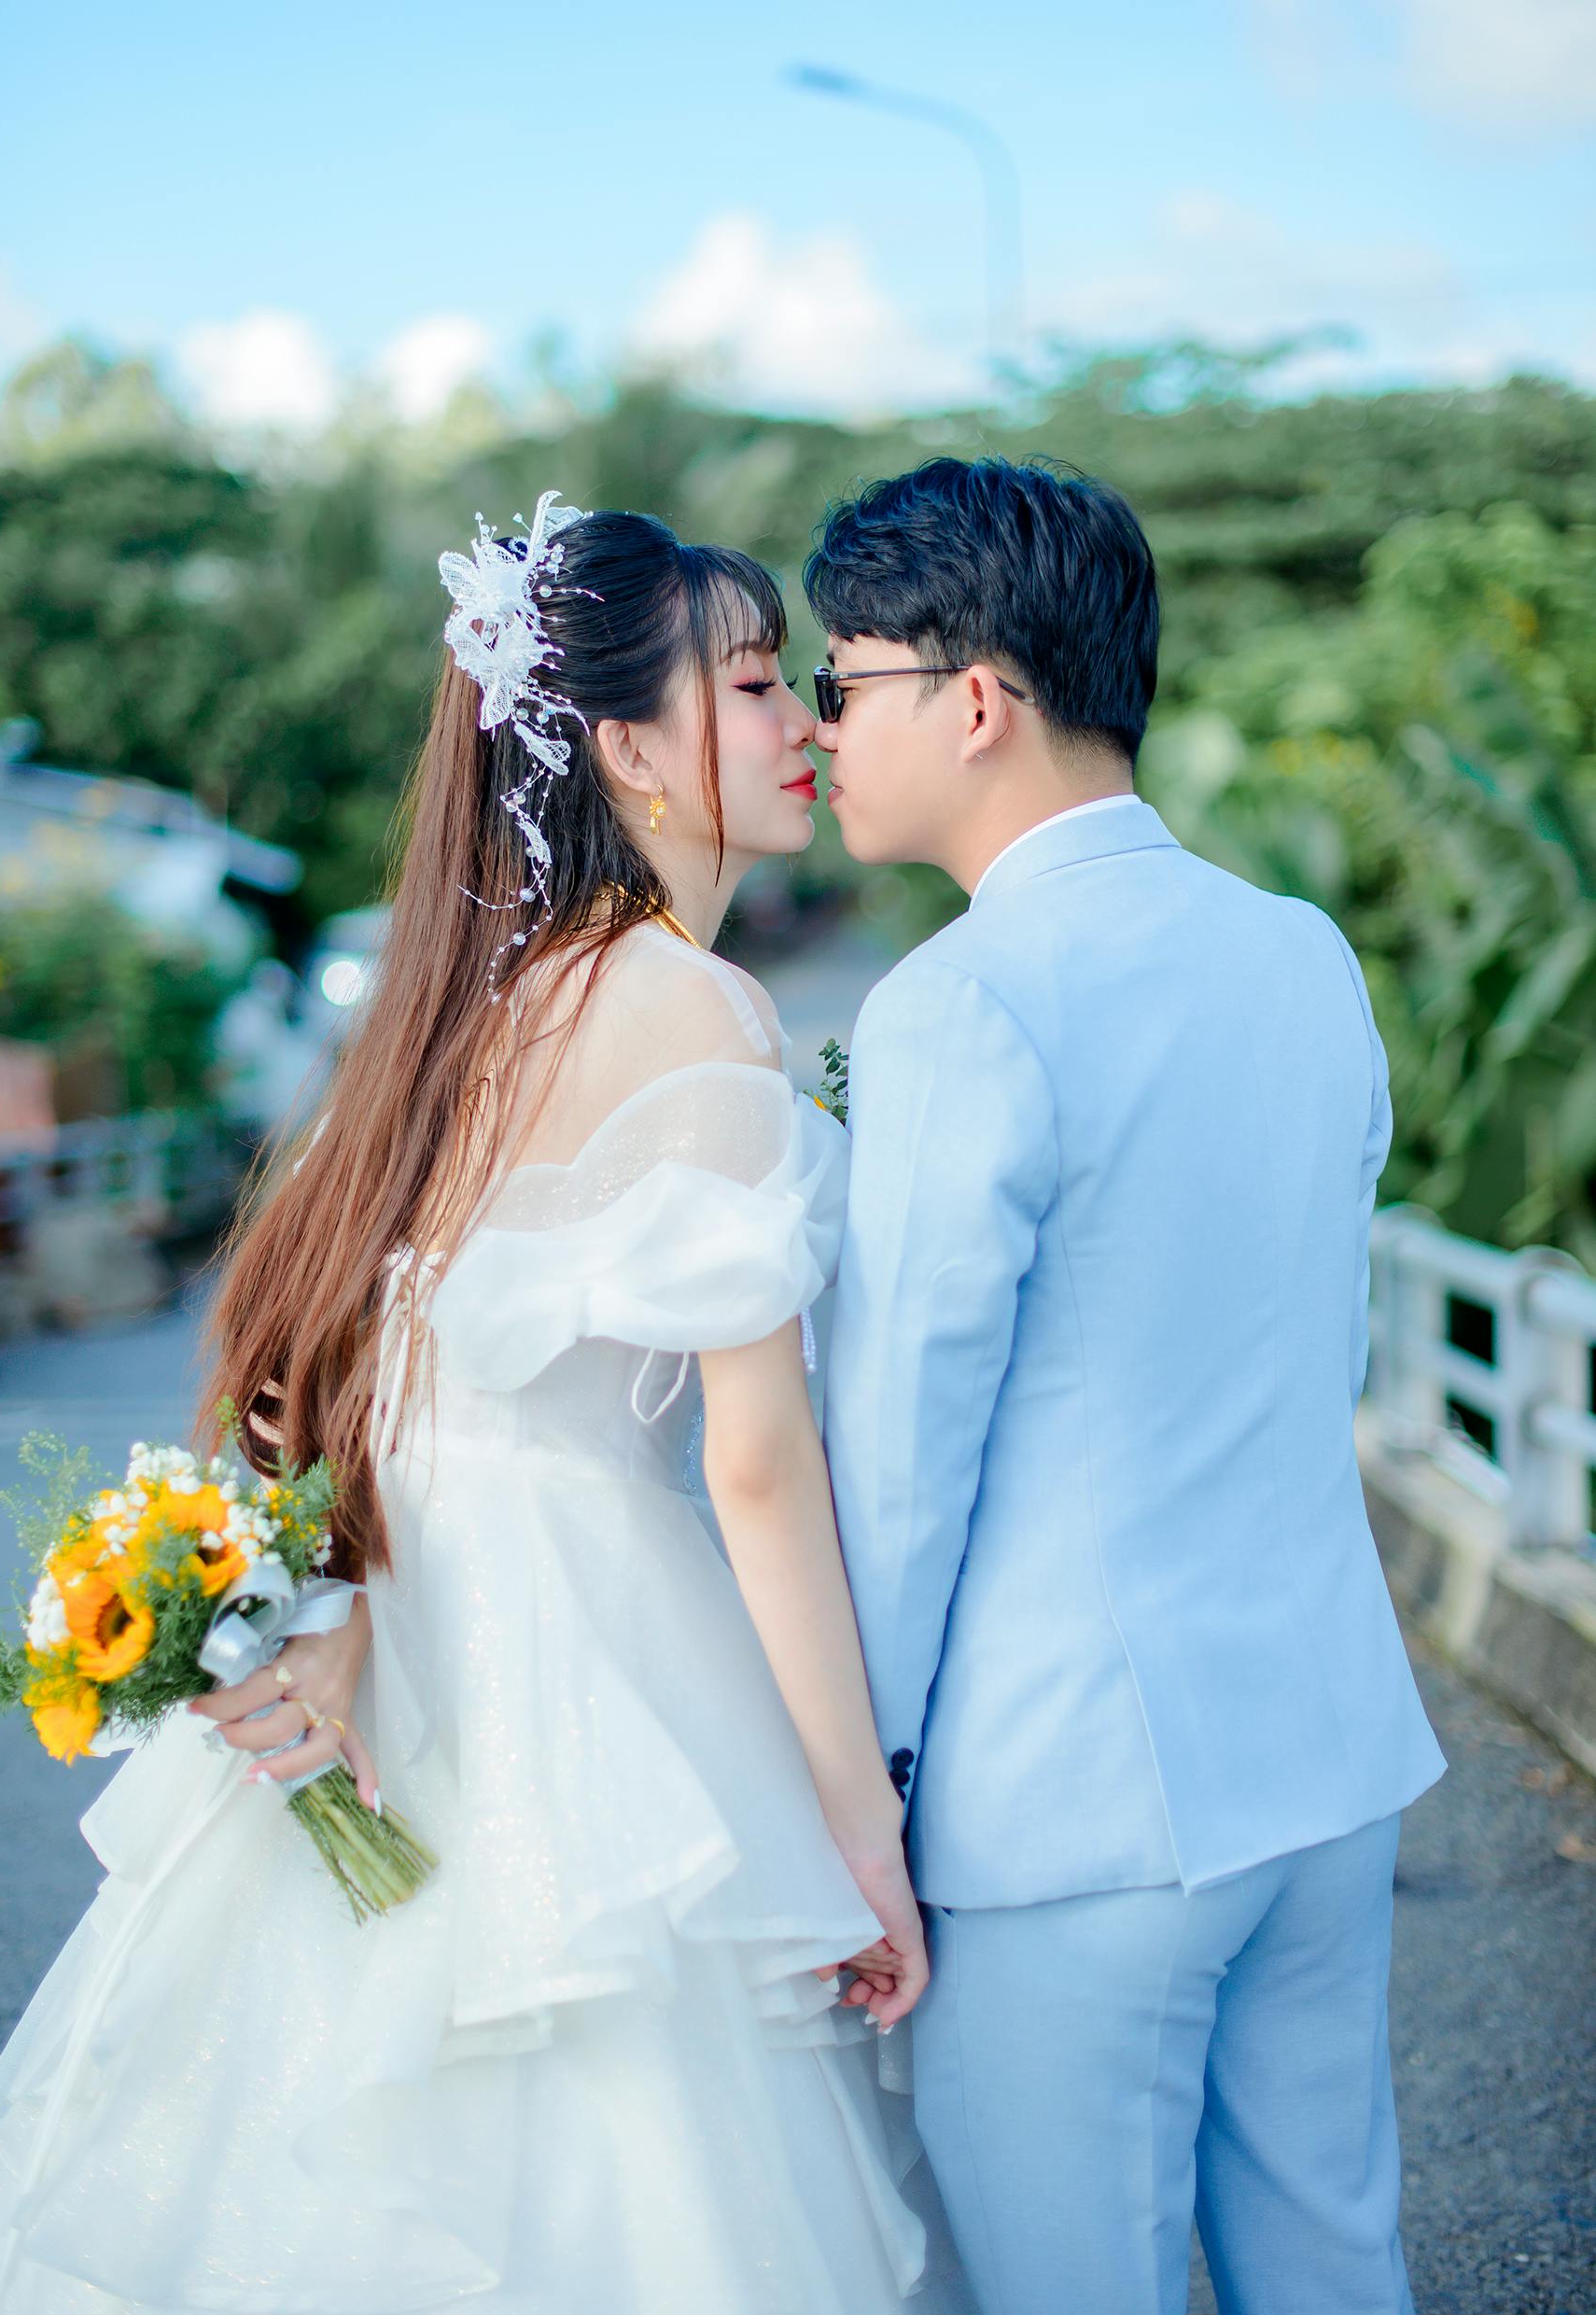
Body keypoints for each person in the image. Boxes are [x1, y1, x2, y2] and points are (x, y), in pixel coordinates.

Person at [0, 500, 971, 2313]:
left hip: (402, 1614)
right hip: (577, 1642)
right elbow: (754, 1459)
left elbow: (314, 1371)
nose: (802, 718)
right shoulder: (697, 1010)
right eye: (751, 683)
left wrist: (312, 1594)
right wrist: (855, 1820)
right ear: (627, 747)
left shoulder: (455, 1011)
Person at [808, 455, 1448, 2315]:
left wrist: (868, 1790)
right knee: (1334, 2262)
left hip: (1065, 1798)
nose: (829, 730)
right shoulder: (1299, 955)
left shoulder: (961, 1003)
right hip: (1322, 1744)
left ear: (978, 700)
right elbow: (1318, 1348)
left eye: (848, 683)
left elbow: (902, 1463)